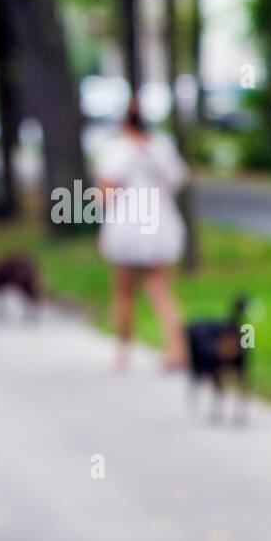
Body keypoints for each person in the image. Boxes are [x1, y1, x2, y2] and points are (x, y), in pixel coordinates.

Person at [94, 93, 190, 371]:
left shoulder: (116, 151)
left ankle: (122, 353)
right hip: (159, 224)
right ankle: (177, 349)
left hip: (127, 228)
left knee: (124, 294)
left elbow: (105, 193)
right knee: (161, 292)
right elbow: (175, 181)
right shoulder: (161, 147)